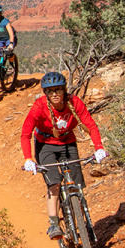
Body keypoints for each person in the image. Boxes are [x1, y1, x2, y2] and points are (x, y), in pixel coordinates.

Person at [20, 71, 107, 239]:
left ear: (64, 90)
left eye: (58, 90)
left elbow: (91, 125)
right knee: (54, 183)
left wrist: (99, 147)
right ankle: (54, 224)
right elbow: (25, 134)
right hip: (45, 145)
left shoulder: (74, 102)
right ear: (45, 93)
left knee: (77, 184)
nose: (55, 94)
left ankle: (84, 220)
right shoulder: (39, 107)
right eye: (50, 91)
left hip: (68, 143)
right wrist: (28, 158)